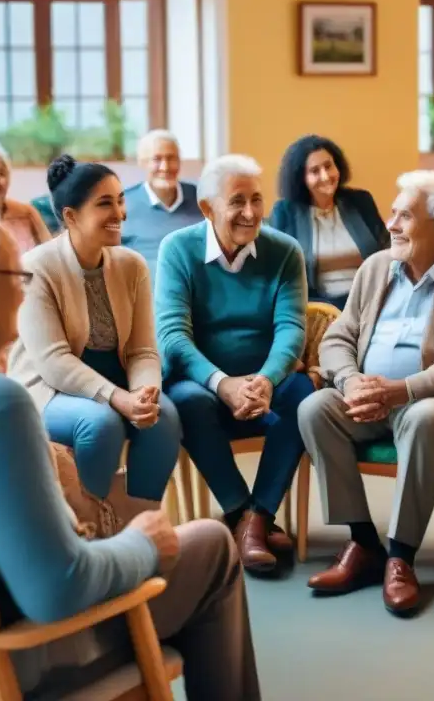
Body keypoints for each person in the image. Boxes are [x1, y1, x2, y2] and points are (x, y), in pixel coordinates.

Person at [0, 196, 260, 700]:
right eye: (17, 276)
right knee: (210, 544)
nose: (23, 292)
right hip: (18, 659)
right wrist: (143, 544)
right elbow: (57, 589)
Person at [299, 170, 434, 616]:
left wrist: (402, 390)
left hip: (432, 403)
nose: (391, 224)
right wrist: (351, 381)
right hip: (368, 396)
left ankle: (400, 557)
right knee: (314, 408)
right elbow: (337, 338)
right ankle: (363, 542)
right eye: (392, 213)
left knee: (426, 417)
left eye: (404, 216)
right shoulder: (376, 268)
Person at [155, 154, 311, 575]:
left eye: (257, 200)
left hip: (265, 386)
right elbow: (171, 337)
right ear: (207, 208)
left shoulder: (284, 251)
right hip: (203, 387)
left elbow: (292, 330)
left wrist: (264, 380)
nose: (250, 212)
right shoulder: (178, 249)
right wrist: (222, 383)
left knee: (305, 396)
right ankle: (245, 514)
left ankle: (255, 519)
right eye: (237, 201)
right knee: (185, 400)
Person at [8, 156, 180, 502]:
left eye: (120, 200)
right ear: (70, 216)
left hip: (117, 385)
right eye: (105, 203)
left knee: (163, 419)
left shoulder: (132, 265)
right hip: (49, 388)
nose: (120, 213)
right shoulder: (34, 268)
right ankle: (89, 531)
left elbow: (142, 350)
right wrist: (120, 399)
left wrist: (144, 394)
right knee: (100, 424)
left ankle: (140, 526)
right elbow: (54, 361)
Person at [268, 134, 390, 309]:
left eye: (328, 166)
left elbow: (385, 248)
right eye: (314, 171)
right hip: (319, 309)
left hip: (370, 301)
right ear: (301, 177)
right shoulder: (286, 212)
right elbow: (277, 270)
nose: (325, 176)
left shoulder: (360, 201)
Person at [121, 130, 202, 283]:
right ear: (142, 163)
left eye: (171, 158)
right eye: (157, 159)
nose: (165, 167)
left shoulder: (203, 200)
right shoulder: (122, 204)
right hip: (143, 299)